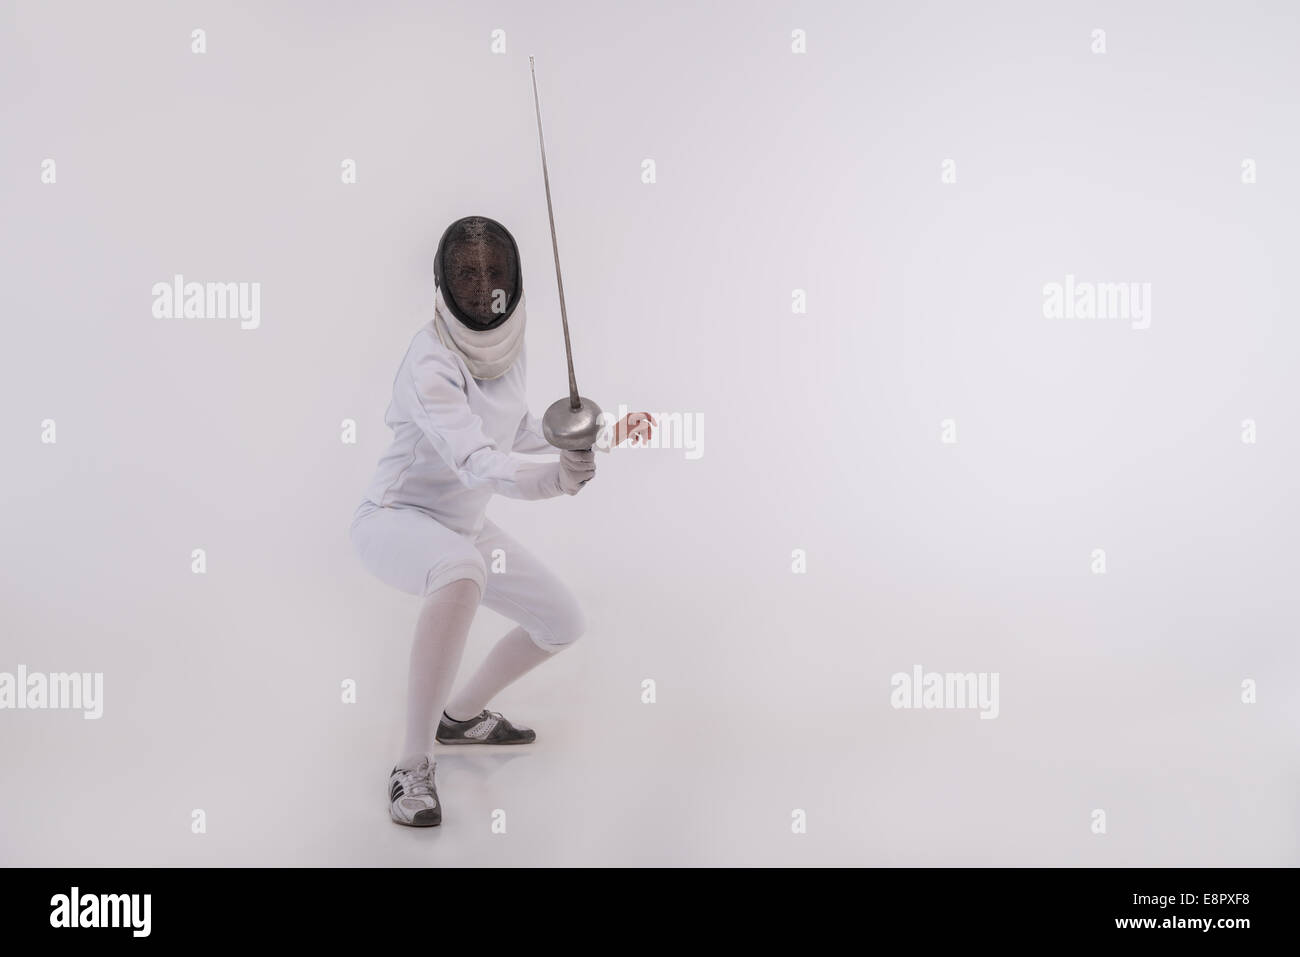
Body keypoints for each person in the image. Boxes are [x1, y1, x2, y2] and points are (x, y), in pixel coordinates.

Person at [349, 215, 653, 827]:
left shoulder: (509, 349)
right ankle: (411, 764)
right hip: (396, 519)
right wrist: (558, 480)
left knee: (562, 620)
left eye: (492, 274)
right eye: (467, 273)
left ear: (511, 283)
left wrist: (600, 436)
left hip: (461, 526)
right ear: (444, 282)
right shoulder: (429, 363)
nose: (483, 285)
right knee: (461, 572)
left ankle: (459, 718)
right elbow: (477, 461)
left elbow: (511, 430)